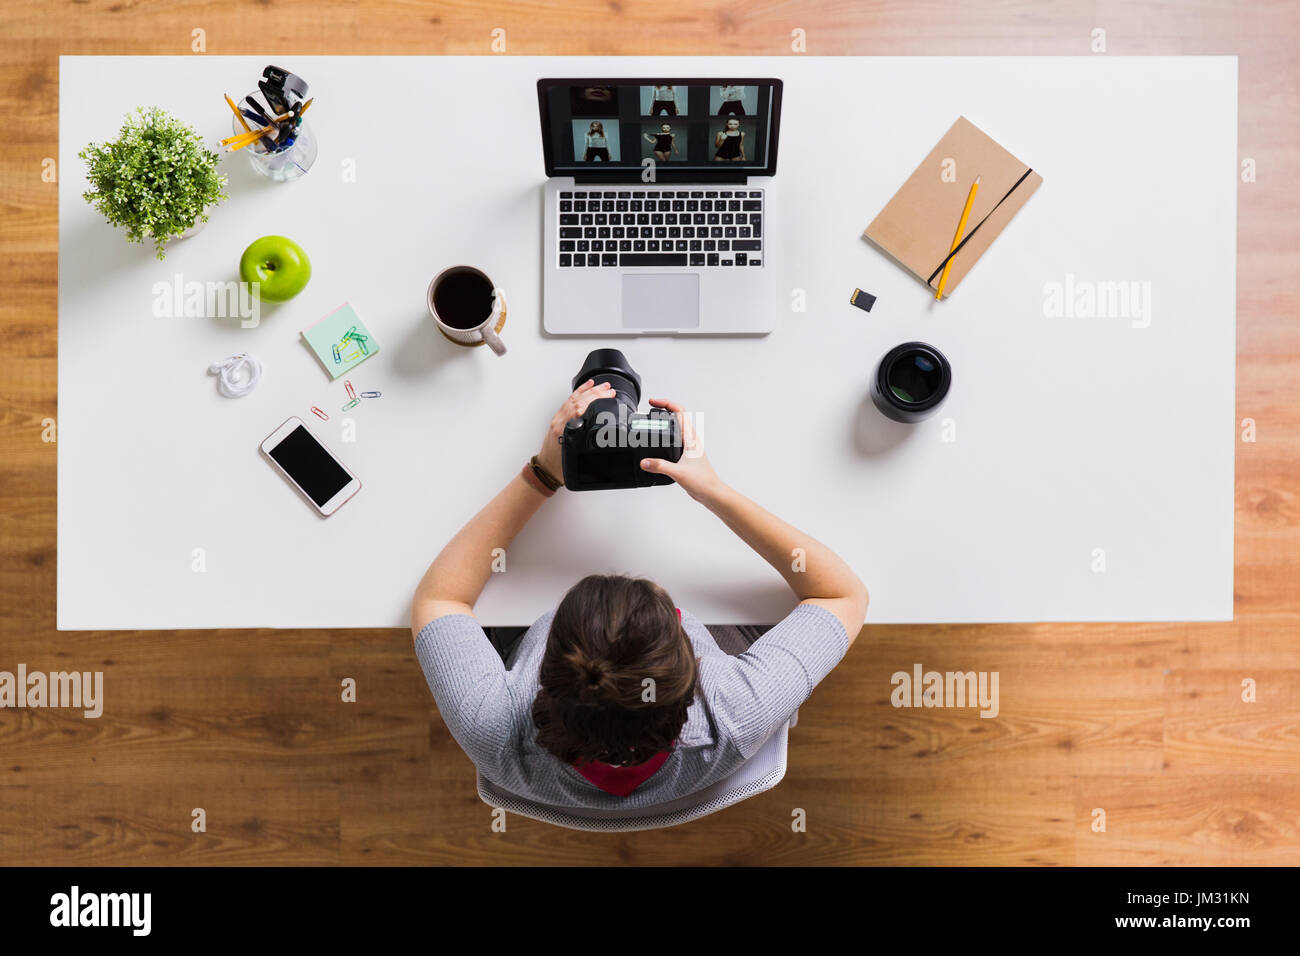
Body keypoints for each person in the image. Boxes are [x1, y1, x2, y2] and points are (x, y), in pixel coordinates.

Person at [410, 380, 869, 809]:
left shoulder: (493, 728)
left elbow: (440, 599)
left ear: (542, 672)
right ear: (695, 678)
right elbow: (841, 596)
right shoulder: (732, 712)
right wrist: (713, 491)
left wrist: (542, 475)